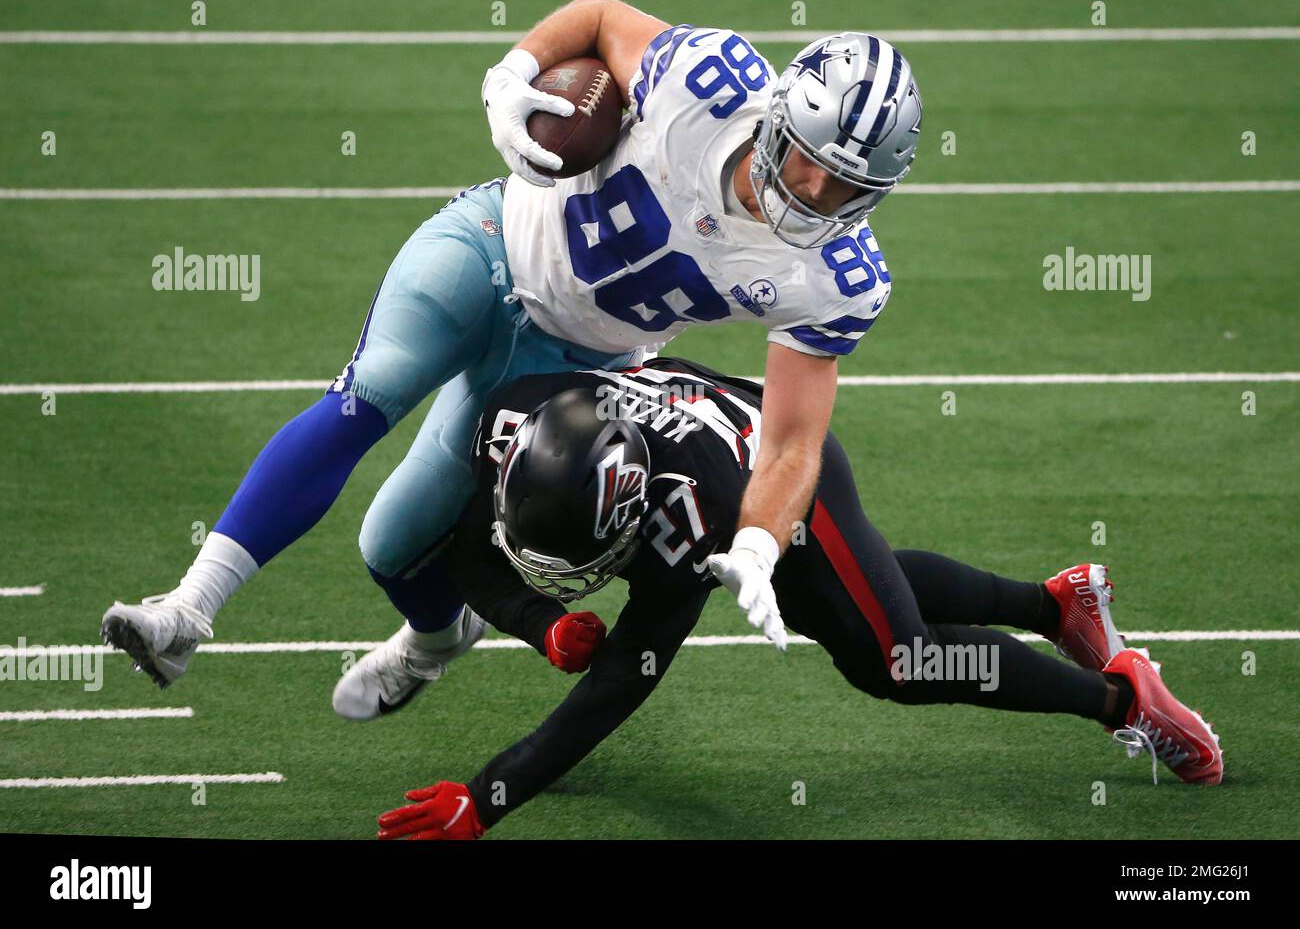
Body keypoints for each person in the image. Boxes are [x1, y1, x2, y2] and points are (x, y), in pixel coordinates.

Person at [102, 0, 925, 697]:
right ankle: (186, 609)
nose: (816, 194)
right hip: (497, 238)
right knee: (368, 393)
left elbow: (789, 442)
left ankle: (432, 642)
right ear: (777, 114)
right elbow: (599, 18)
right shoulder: (706, 83)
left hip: (579, 357)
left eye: (850, 185)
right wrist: (513, 73)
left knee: (389, 543)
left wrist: (756, 541)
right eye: (811, 163)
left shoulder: (839, 276)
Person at [365, 358, 1223, 840]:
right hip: (711, 425)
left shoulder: (683, 519)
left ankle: (1123, 699)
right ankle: (1057, 605)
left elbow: (623, 680)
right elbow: (468, 553)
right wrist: (544, 622)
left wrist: (492, 796)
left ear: (630, 511)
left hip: (780, 478)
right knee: (846, 599)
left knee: (896, 657)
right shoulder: (511, 429)